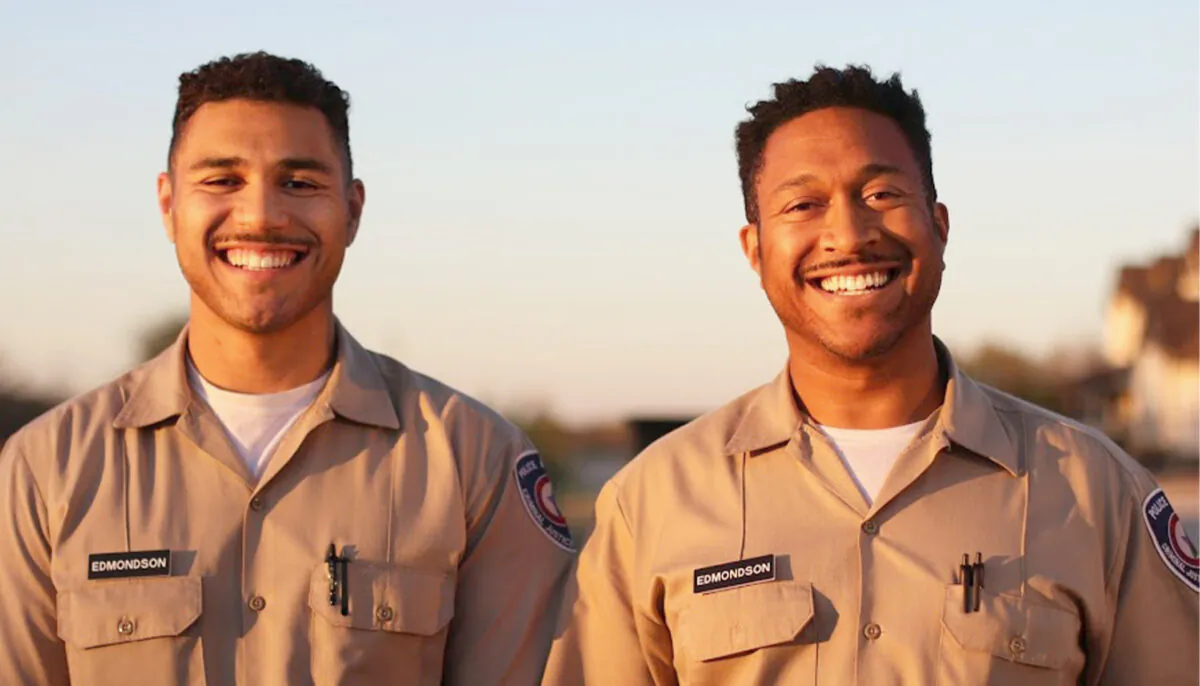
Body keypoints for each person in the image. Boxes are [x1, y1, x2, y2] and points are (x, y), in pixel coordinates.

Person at [542, 64, 1199, 685]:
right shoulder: (652, 504)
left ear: (938, 228)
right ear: (755, 249)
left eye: (881, 194)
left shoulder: (1093, 490)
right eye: (803, 205)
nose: (849, 234)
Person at [0, 51, 575, 686]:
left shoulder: (476, 460)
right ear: (168, 205)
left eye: (299, 183)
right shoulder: (43, 473)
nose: (261, 216)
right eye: (222, 181)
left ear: (353, 210)